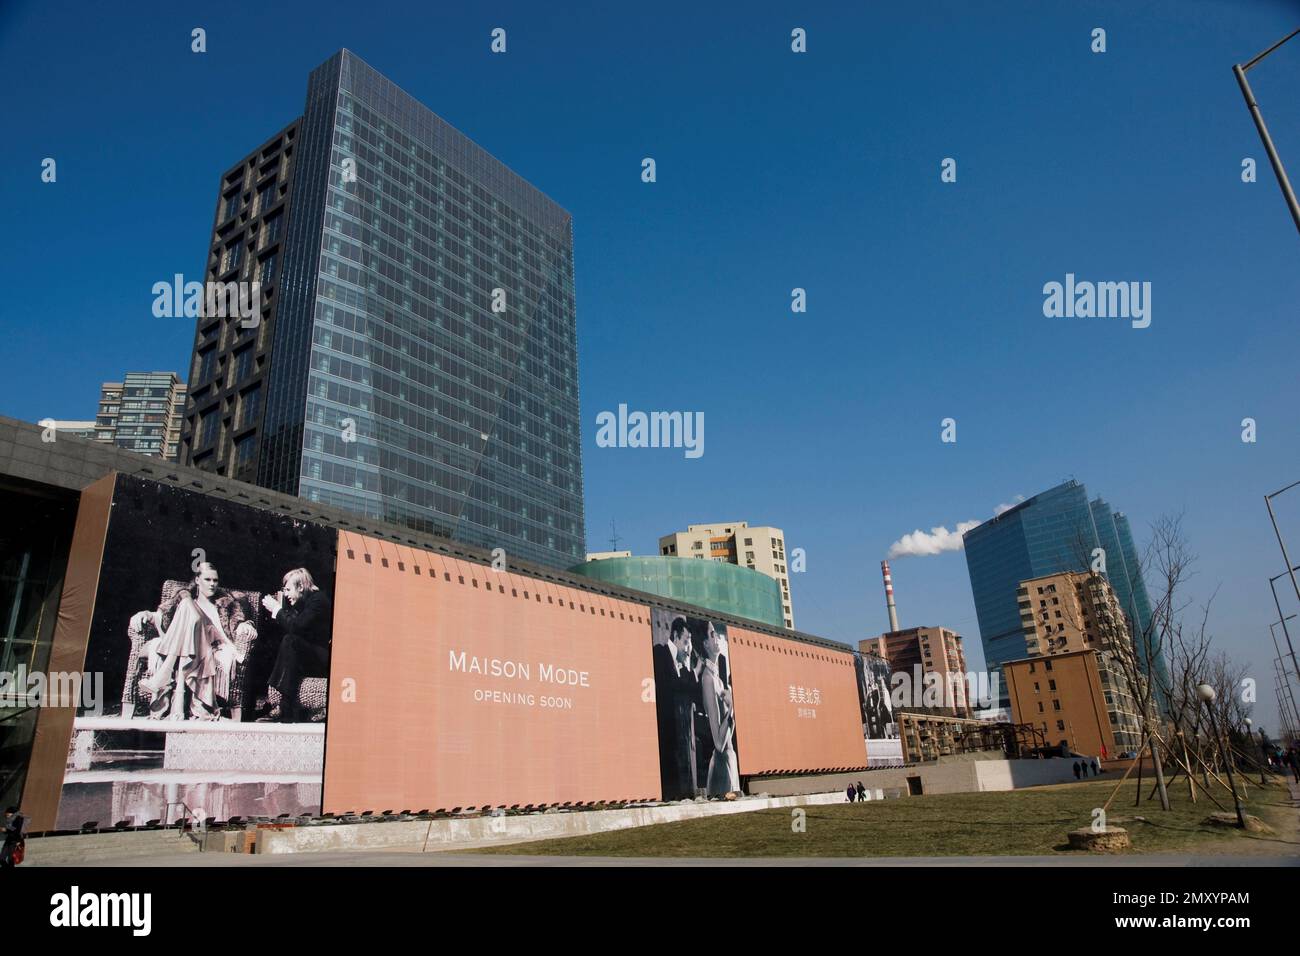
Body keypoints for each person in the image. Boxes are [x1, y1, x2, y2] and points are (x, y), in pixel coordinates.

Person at [136, 562, 252, 720]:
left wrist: (246, 624)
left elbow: (237, 622)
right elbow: (160, 615)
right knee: (186, 607)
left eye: (215, 580)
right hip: (191, 644)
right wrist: (144, 614)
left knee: (189, 609)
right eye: (207, 579)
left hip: (215, 640)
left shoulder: (226, 603)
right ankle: (178, 698)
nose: (212, 584)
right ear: (197, 580)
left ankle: (164, 674)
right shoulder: (184, 599)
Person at [260, 568, 332, 723]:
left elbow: (296, 627)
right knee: (286, 642)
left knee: (290, 640)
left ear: (300, 587)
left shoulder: (318, 601)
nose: (286, 594)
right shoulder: (303, 601)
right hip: (309, 657)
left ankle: (285, 708)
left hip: (324, 660)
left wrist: (277, 610)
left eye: (288, 589)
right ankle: (282, 707)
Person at [652, 616, 699, 799]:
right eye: (686, 641)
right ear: (675, 636)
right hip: (665, 736)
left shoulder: (681, 664)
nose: (688, 648)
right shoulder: (660, 652)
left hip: (680, 740)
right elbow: (671, 687)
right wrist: (692, 671)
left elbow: (691, 692)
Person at [698, 622, 738, 796]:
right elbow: (719, 743)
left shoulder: (719, 681)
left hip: (730, 759)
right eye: (712, 634)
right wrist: (732, 707)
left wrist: (731, 709)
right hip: (722, 765)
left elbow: (729, 732)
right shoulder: (708, 679)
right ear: (705, 643)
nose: (717, 638)